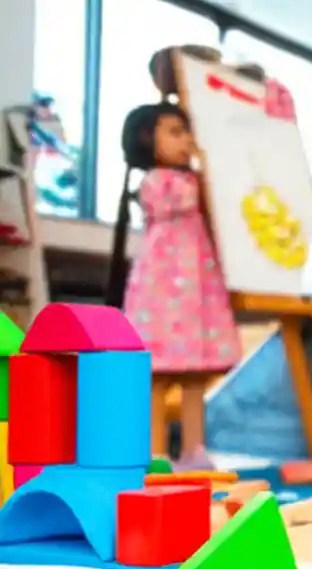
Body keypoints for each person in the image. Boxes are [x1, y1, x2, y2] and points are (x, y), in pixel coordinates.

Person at [105, 103, 241, 470]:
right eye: (175, 132)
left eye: (186, 131)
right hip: (163, 289)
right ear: (147, 139)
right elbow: (178, 201)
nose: (186, 141)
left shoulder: (193, 183)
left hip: (196, 288)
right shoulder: (159, 182)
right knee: (158, 376)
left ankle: (195, 449)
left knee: (194, 378)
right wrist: (203, 168)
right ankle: (155, 451)